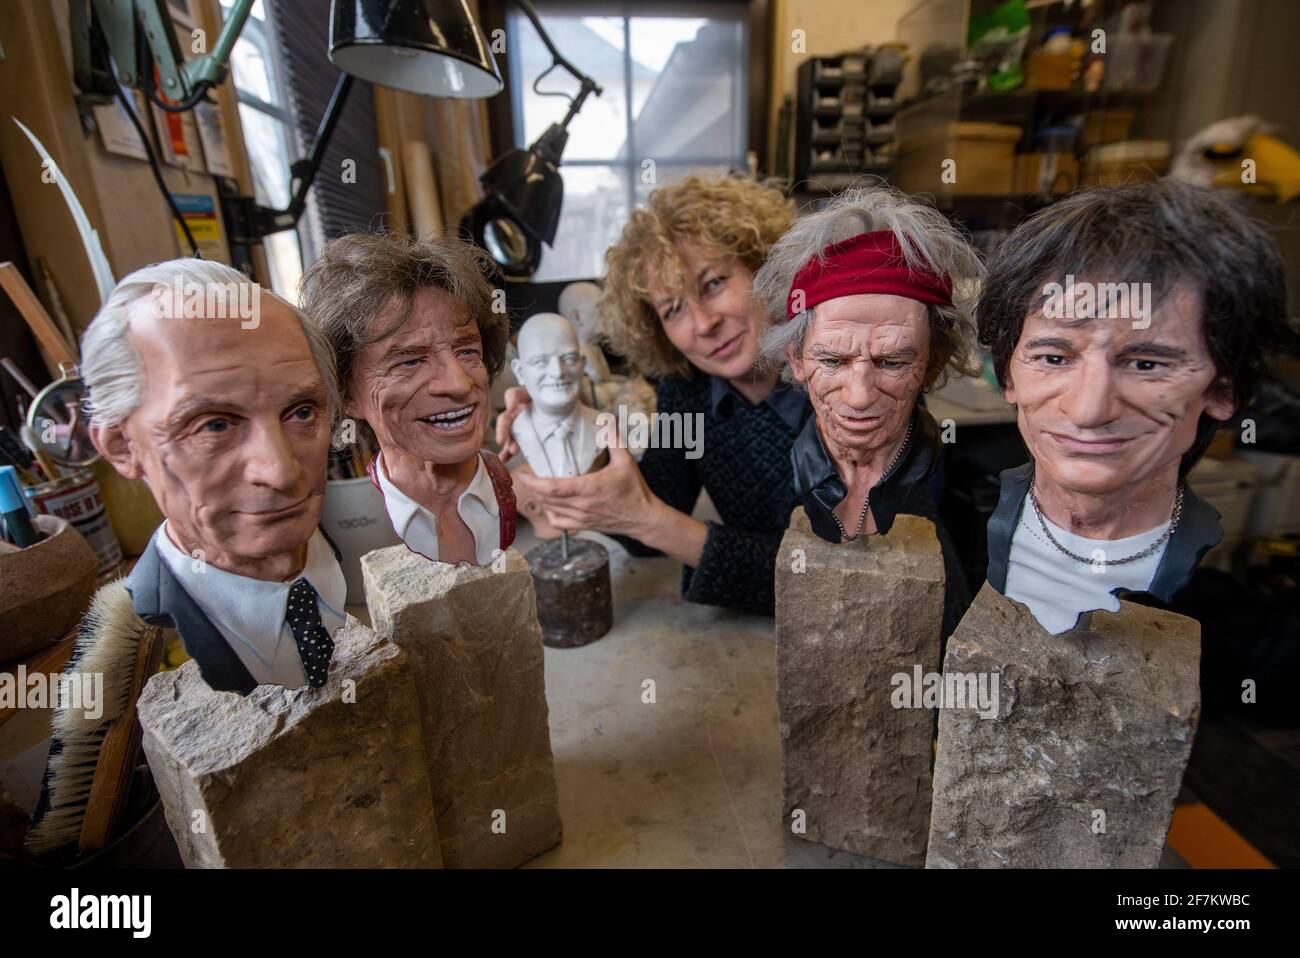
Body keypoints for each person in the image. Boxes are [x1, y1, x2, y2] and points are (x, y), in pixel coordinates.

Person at [976, 180, 1295, 634]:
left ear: (1224, 389)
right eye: (1053, 358)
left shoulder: (1234, 617)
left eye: (1146, 364)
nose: (1089, 410)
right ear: (1008, 375)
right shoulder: (958, 523)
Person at [498, 174, 801, 614]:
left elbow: (827, 580)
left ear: (763, 267)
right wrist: (568, 415)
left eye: (713, 282)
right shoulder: (690, 392)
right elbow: (647, 517)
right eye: (673, 308)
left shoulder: (843, 371)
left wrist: (651, 521)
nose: (702, 323)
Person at [82, 258, 344, 694]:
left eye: (300, 413)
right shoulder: (126, 663)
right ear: (123, 446)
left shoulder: (336, 552)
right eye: (215, 426)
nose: (280, 472)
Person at [752, 186, 982, 636]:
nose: (859, 397)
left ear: (932, 364)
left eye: (893, 362)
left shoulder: (923, 465)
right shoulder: (803, 459)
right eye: (833, 360)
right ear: (796, 360)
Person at [300, 232, 514, 566]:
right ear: (346, 394)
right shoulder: (342, 529)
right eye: (410, 362)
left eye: (467, 350)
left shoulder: (508, 487)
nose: (458, 384)